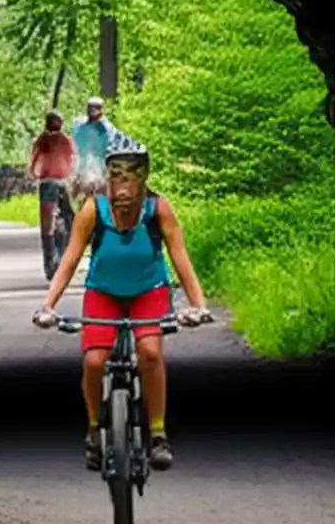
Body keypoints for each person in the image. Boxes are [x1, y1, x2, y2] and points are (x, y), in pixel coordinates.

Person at [31, 128, 213, 472]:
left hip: (150, 290)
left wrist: (198, 305)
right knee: (95, 361)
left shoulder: (158, 209)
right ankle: (94, 428)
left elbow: (180, 259)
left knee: (149, 353)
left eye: (133, 174)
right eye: (117, 175)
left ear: (144, 178)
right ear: (108, 177)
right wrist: (48, 306)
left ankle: (157, 433)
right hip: (104, 292)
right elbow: (69, 260)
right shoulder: (92, 210)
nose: (125, 186)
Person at [28, 110, 76, 277]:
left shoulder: (43, 140)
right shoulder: (65, 140)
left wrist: (35, 175)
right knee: (68, 219)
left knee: (48, 226)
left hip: (48, 182)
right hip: (61, 182)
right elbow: (73, 161)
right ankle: (60, 260)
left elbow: (33, 162)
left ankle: (51, 262)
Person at [69, 96, 112, 202]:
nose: (92, 110)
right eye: (90, 107)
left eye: (96, 108)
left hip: (98, 169)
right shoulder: (79, 124)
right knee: (71, 193)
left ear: (102, 110)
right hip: (79, 165)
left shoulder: (106, 128)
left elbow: (109, 149)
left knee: (94, 195)